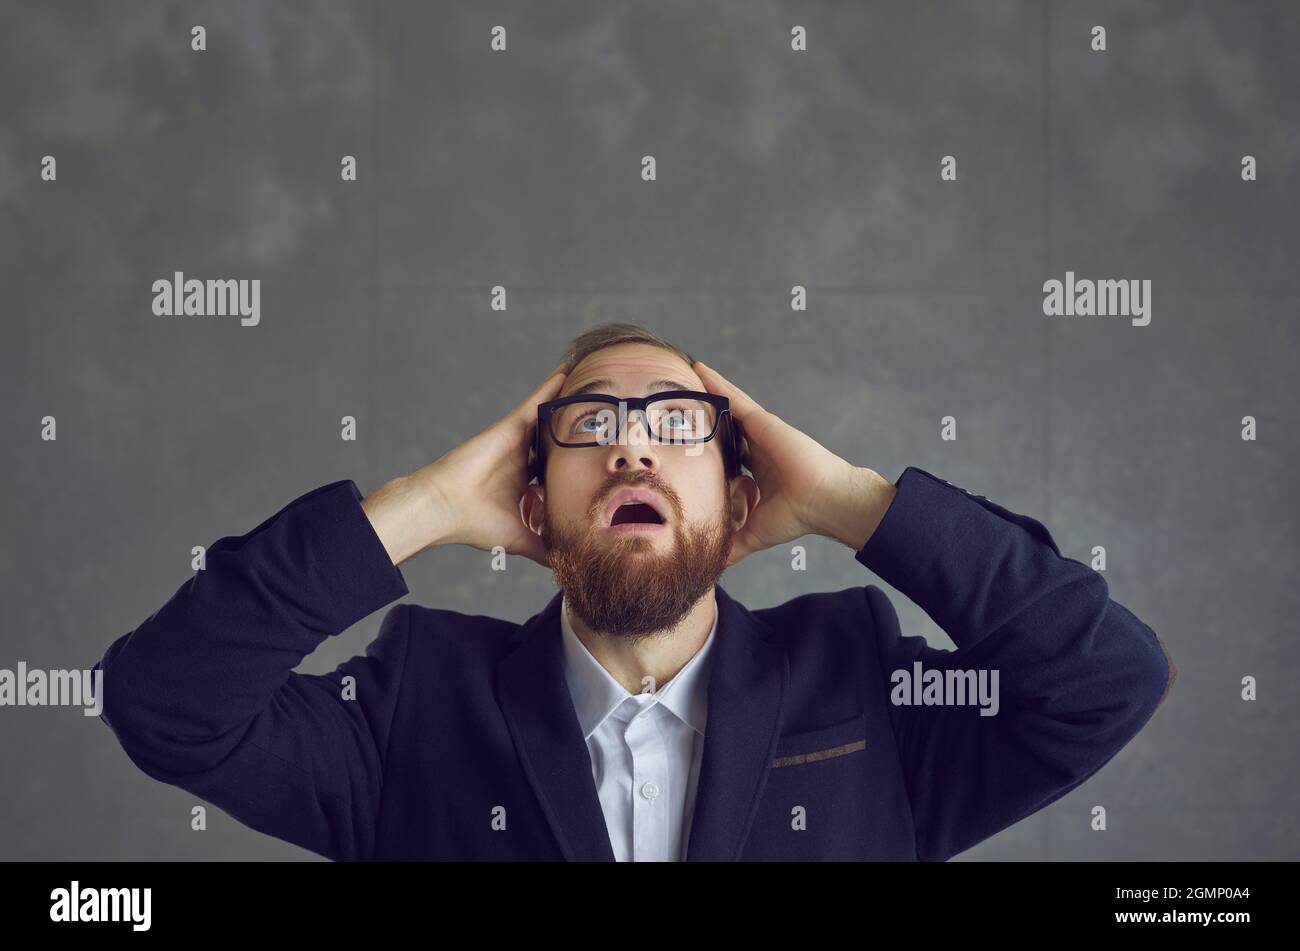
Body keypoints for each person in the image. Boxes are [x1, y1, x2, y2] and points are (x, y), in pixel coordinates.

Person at [92, 323, 1176, 861]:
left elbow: (1107, 682)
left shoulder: (864, 686)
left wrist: (859, 504)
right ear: (530, 505)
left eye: (675, 426)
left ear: (743, 504)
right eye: (592, 426)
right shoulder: (410, 705)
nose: (631, 452)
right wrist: (416, 507)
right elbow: (164, 702)